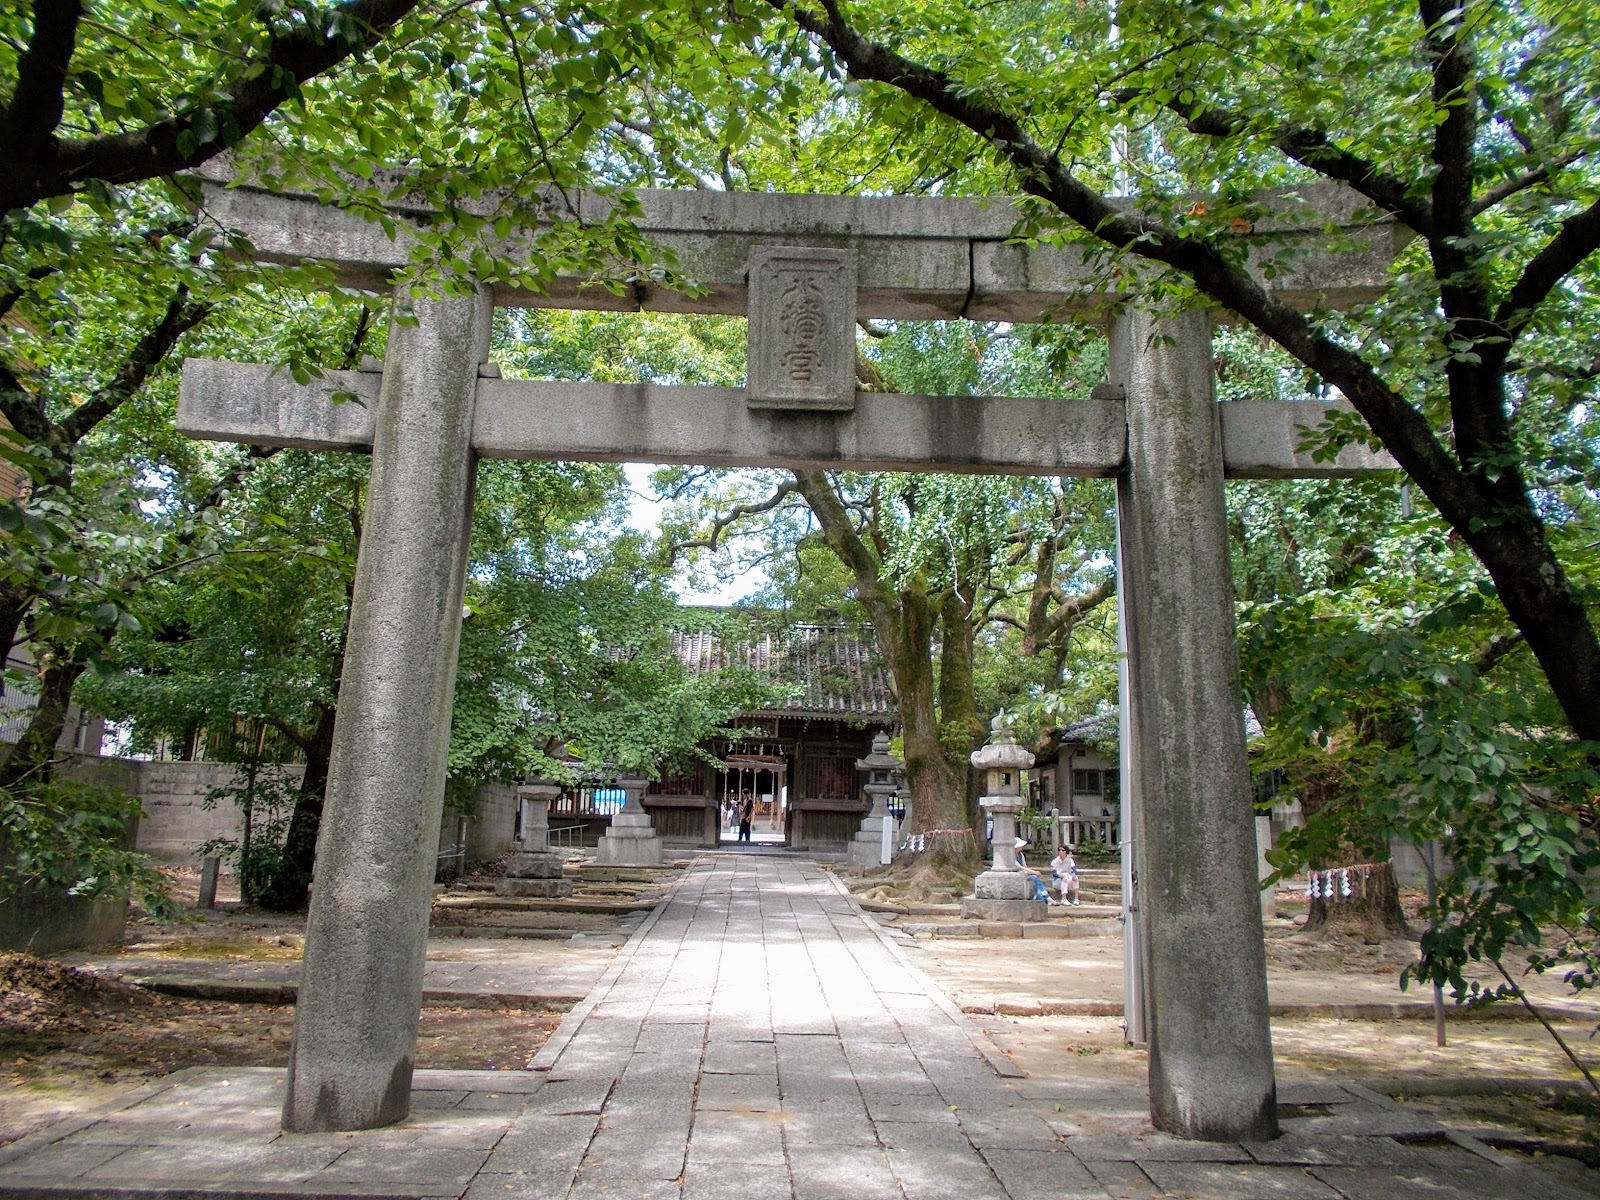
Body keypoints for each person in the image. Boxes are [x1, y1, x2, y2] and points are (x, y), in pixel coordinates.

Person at [1014, 837, 1055, 904]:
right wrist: (1034, 872)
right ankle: (1046, 897)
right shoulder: (1011, 857)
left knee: (1035, 879)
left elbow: (1025, 866)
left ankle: (1045, 897)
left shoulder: (1021, 855)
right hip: (1016, 874)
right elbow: (1019, 867)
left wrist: (1031, 872)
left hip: (1023, 873)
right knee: (1034, 877)